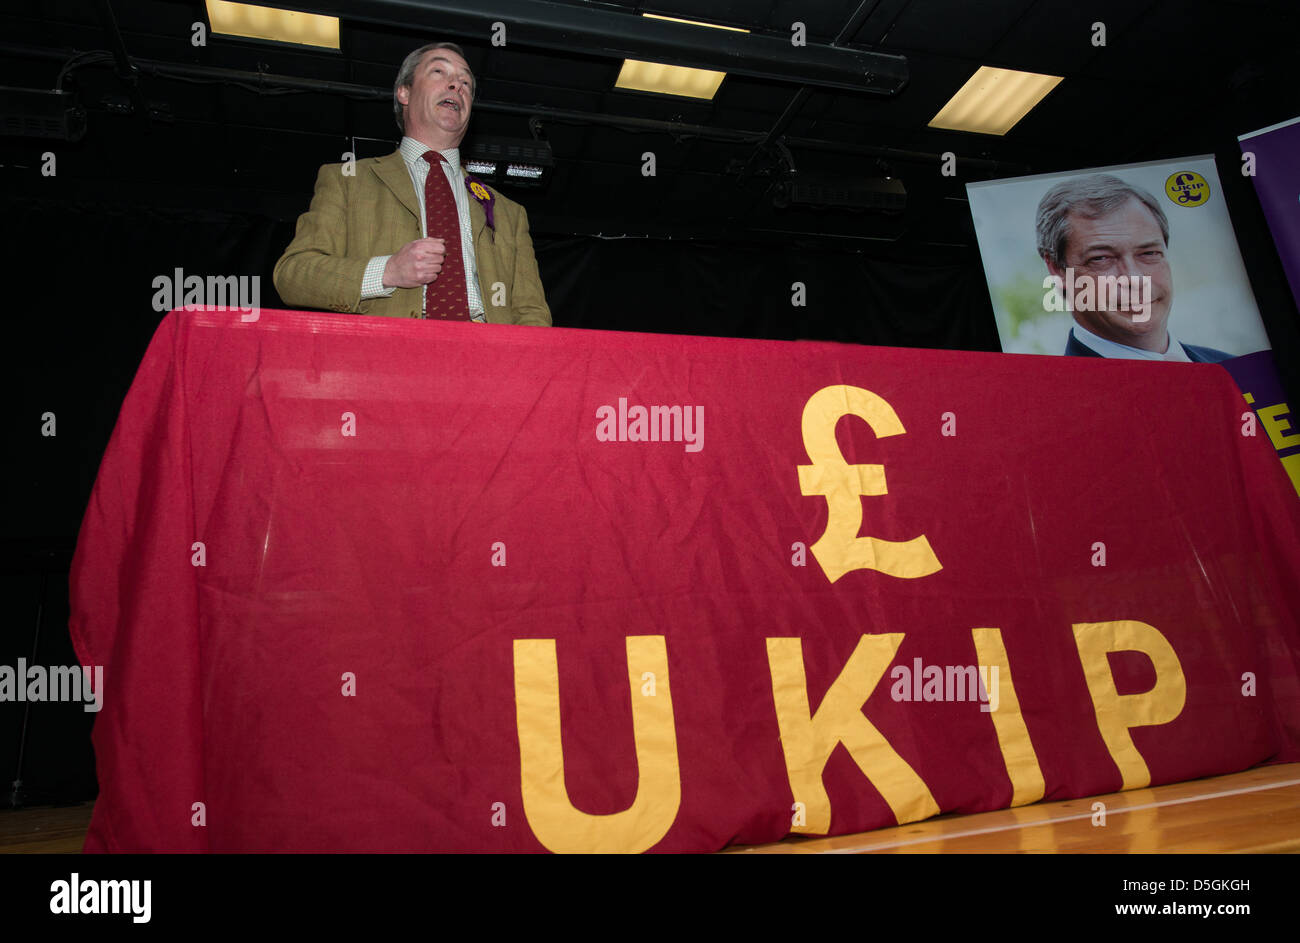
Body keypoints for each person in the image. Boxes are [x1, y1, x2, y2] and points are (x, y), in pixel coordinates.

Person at [273, 42, 551, 325]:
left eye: (466, 81)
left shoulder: (508, 212)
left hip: (485, 357)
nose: (457, 85)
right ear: (404, 92)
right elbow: (293, 275)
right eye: (439, 71)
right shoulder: (346, 181)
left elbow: (532, 313)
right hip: (386, 355)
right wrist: (387, 271)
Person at [1035, 174, 1229, 363]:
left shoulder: (1230, 367)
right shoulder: (1061, 394)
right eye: (1101, 259)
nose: (1134, 278)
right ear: (1057, 270)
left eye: (1148, 253)